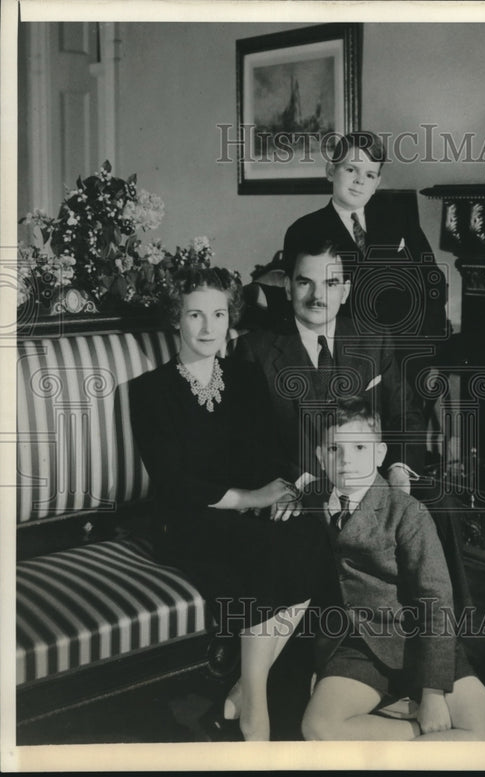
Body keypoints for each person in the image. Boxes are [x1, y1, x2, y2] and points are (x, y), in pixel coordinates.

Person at [128, 264, 337, 741]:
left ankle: (245, 691)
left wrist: (286, 492)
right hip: (186, 522)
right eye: (195, 315)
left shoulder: (244, 377)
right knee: (263, 549)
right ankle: (256, 712)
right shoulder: (150, 392)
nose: (207, 327)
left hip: (247, 509)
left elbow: (266, 454)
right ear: (175, 320)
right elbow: (175, 484)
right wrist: (253, 498)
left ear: (231, 319)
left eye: (218, 315)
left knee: (309, 530)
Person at [300, 396, 485, 742]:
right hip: (359, 649)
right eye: (334, 450)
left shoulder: (406, 512)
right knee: (317, 727)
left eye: (358, 447)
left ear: (380, 454)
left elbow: (437, 600)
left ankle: (409, 736)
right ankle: (415, 737)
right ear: (321, 457)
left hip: (418, 641)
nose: (347, 461)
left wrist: (432, 693)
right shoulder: (313, 505)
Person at [233, 237, 426, 500]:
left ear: (345, 291)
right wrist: (302, 484)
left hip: (373, 486)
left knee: (443, 508)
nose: (317, 296)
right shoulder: (255, 351)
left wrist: (399, 472)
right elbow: (249, 440)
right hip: (299, 491)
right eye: (305, 283)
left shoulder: (374, 340)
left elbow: (406, 416)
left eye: (330, 283)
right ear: (288, 289)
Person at [282, 130, 449, 344]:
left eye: (369, 175)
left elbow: (433, 278)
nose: (360, 181)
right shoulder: (304, 230)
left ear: (377, 182)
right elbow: (302, 303)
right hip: (347, 349)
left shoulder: (398, 218)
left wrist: (428, 339)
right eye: (351, 169)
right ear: (331, 171)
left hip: (407, 345)